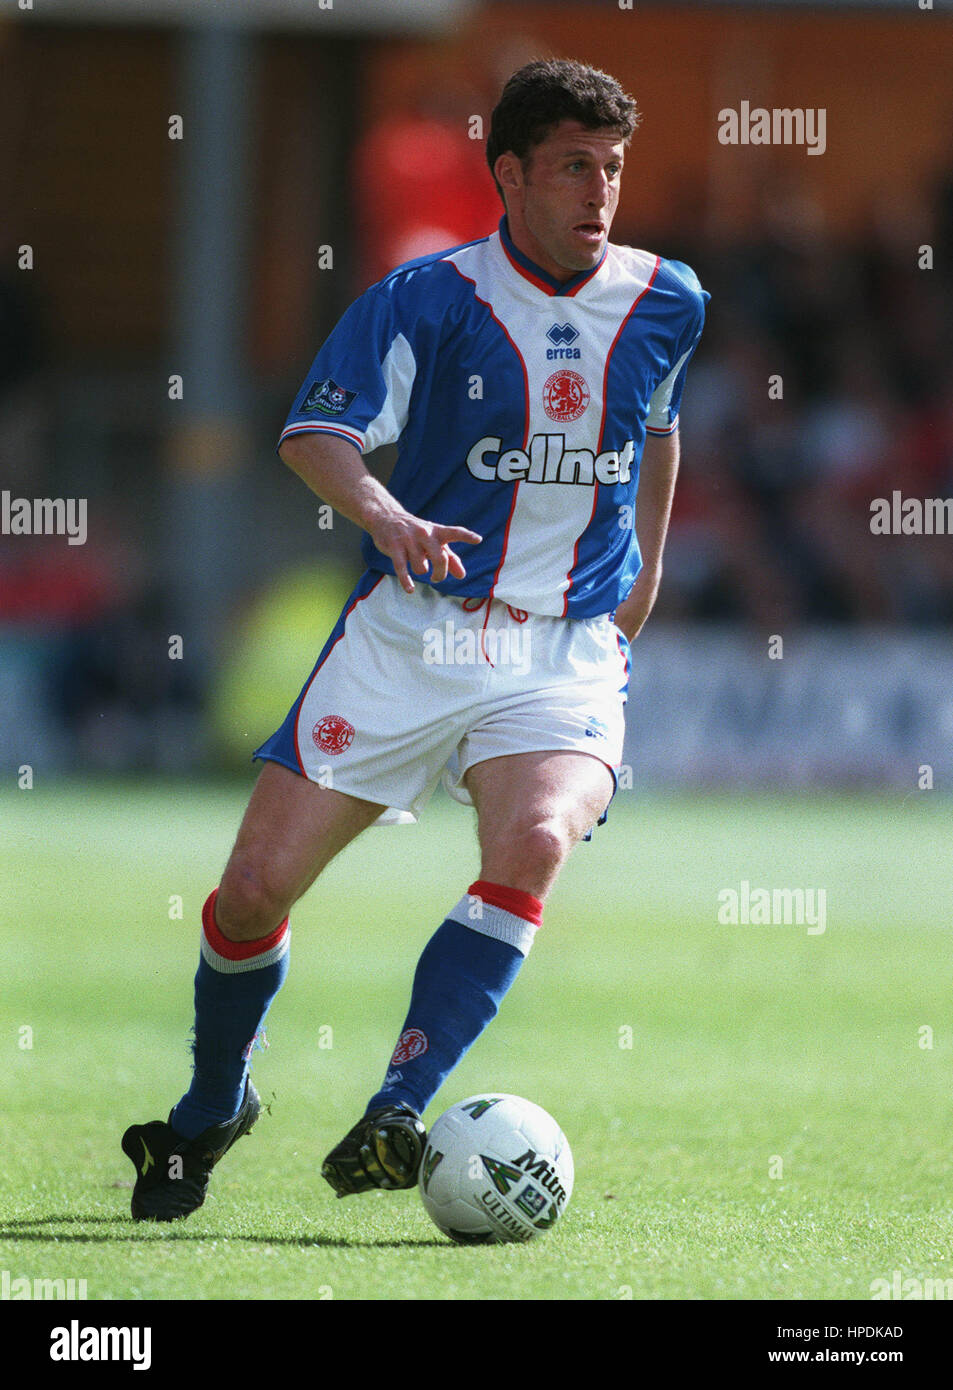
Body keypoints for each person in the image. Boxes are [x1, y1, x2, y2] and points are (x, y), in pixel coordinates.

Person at [121, 58, 708, 1221]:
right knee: (251, 893)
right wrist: (385, 513)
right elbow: (312, 434)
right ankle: (210, 1105)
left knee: (536, 834)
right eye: (573, 167)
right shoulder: (427, 296)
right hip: (412, 635)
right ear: (508, 173)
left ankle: (400, 1106)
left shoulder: (665, 297)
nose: (599, 192)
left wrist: (642, 572)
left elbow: (656, 431)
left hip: (559, 651)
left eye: (612, 168)